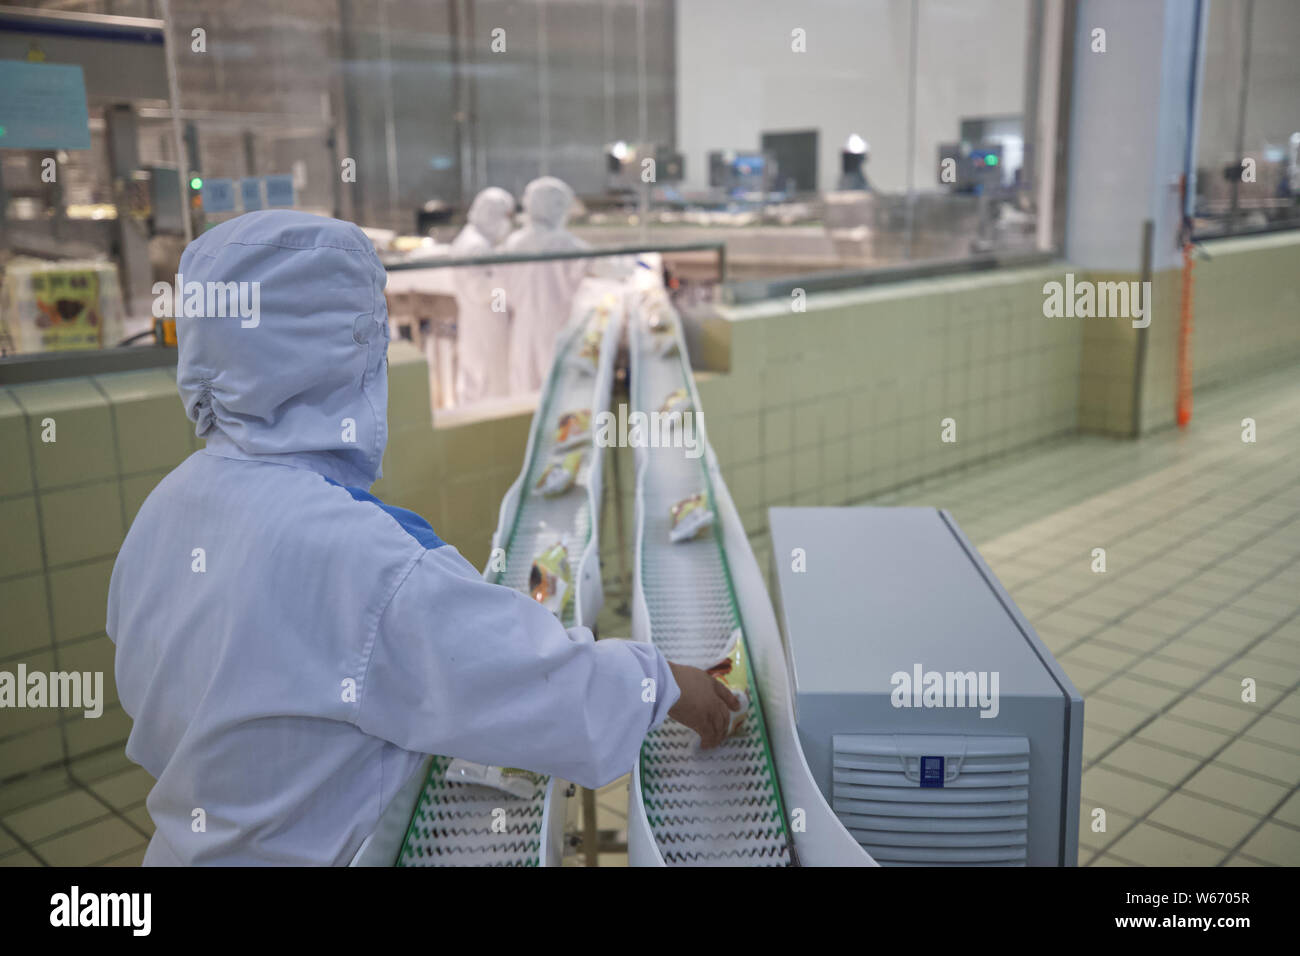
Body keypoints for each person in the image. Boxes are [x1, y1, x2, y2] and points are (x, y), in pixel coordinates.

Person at [106, 210, 738, 866]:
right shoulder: (359, 556)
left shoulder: (167, 509)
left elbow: (163, 704)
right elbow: (535, 686)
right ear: (338, 359)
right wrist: (662, 683)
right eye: (371, 346)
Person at [502, 176, 589, 394]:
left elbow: (501, 288)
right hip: (556, 326)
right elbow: (602, 267)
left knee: (524, 389)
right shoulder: (564, 243)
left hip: (522, 326)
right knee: (556, 393)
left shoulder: (513, 242)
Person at [451, 187, 515, 404]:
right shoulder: (476, 245)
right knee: (487, 380)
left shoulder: (472, 240)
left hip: (478, 320)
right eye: (505, 216)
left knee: (477, 377)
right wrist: (507, 280)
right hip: (486, 320)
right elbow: (481, 290)